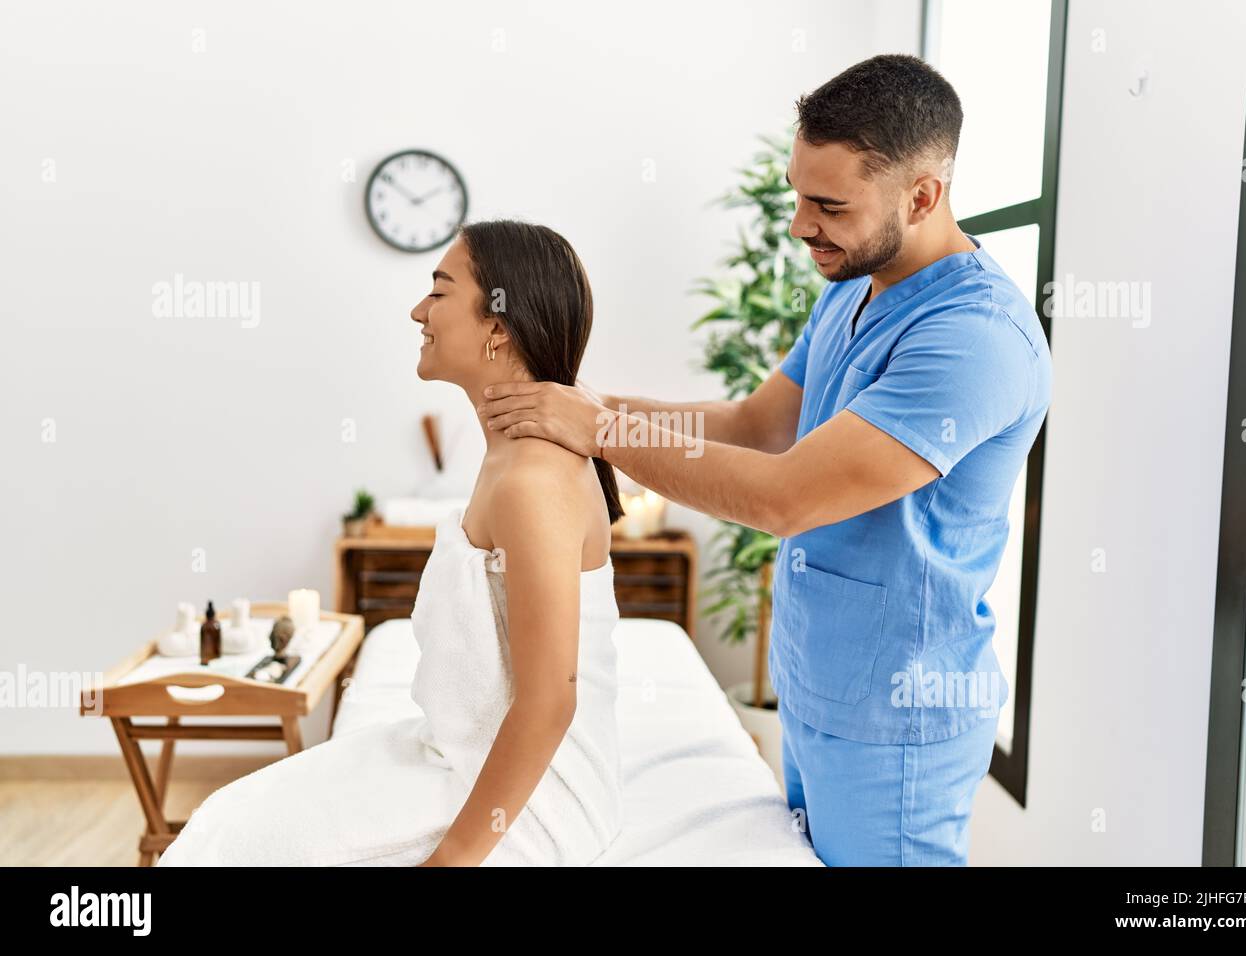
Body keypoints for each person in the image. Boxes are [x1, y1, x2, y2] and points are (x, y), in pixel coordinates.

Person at [477, 54, 1053, 866]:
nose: (798, 225)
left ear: (923, 194)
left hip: (895, 719)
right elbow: (759, 424)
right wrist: (590, 408)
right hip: (819, 690)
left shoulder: (975, 340)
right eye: (796, 193)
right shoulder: (854, 287)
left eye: (828, 204)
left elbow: (785, 497)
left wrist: (599, 432)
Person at [158, 220, 625, 867]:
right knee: (227, 821)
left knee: (231, 847)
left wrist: (452, 860)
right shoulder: (511, 458)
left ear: (497, 324)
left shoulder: (533, 479)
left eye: (438, 291)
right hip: (462, 755)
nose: (417, 311)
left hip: (537, 801)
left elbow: (551, 700)